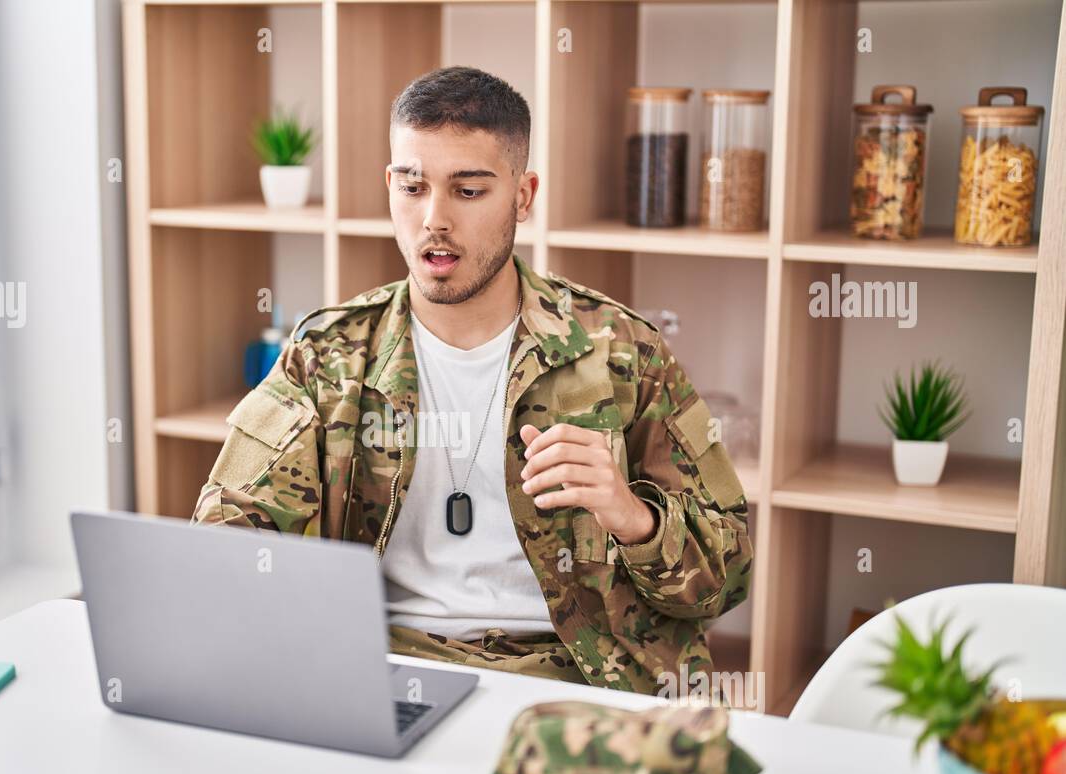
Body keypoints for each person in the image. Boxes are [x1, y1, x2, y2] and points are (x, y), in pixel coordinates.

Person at [193, 66, 752, 695]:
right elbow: (225, 548)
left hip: (576, 678)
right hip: (385, 670)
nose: (434, 219)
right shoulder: (328, 355)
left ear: (523, 194)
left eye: (468, 191)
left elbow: (729, 578)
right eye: (413, 186)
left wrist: (631, 516)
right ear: (390, 188)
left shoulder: (623, 352)